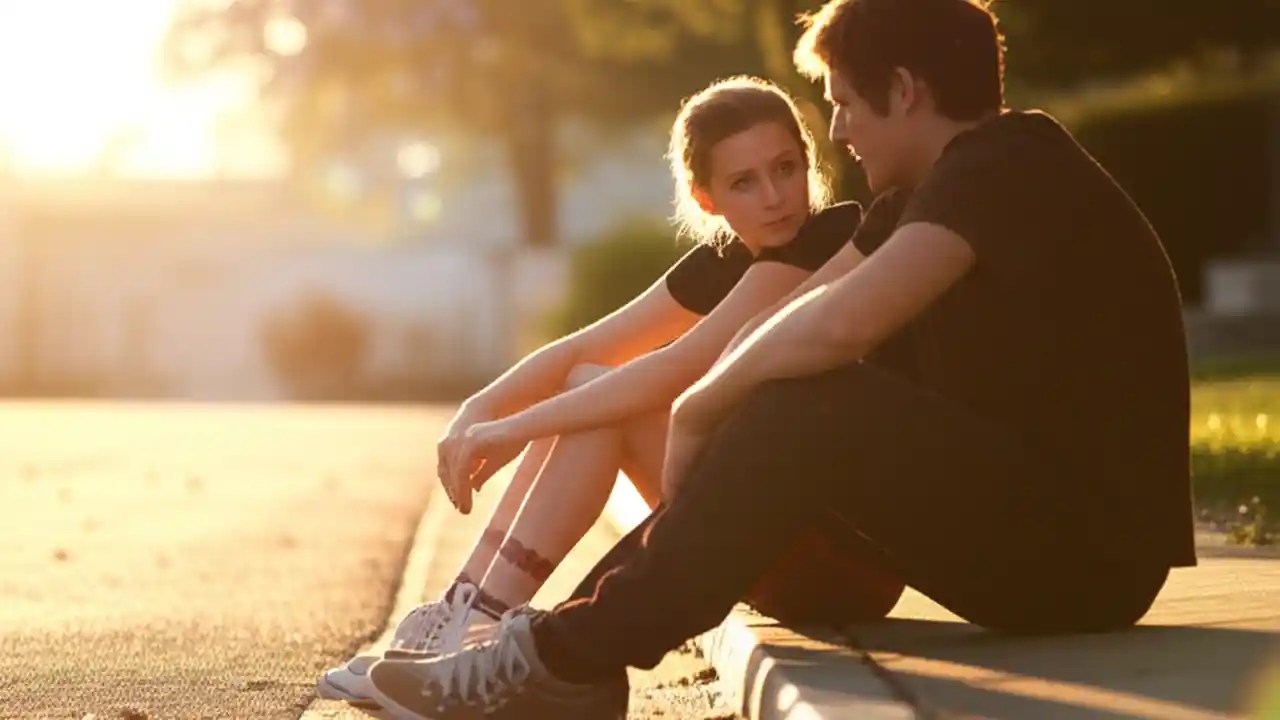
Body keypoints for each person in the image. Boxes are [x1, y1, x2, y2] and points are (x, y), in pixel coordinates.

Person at [361, 0, 1199, 717]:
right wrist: (714, 398)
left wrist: (697, 409)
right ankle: (558, 656)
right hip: (1030, 534)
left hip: (1088, 564)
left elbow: (839, 331)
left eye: (841, 103)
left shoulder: (1006, 167)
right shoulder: (923, 195)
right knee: (787, 396)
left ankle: (558, 657)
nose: (837, 130)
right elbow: (803, 311)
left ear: (904, 91)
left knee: (810, 403)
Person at [316, 75, 884, 706]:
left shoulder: (826, 242)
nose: (776, 196)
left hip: (836, 562)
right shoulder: (727, 258)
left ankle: (479, 617)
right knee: (591, 382)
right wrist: (475, 412)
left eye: (785, 168)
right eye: (744, 182)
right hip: (758, 532)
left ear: (809, 164)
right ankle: (468, 610)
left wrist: (509, 430)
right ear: (708, 197)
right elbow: (585, 349)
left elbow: (675, 368)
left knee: (608, 401)